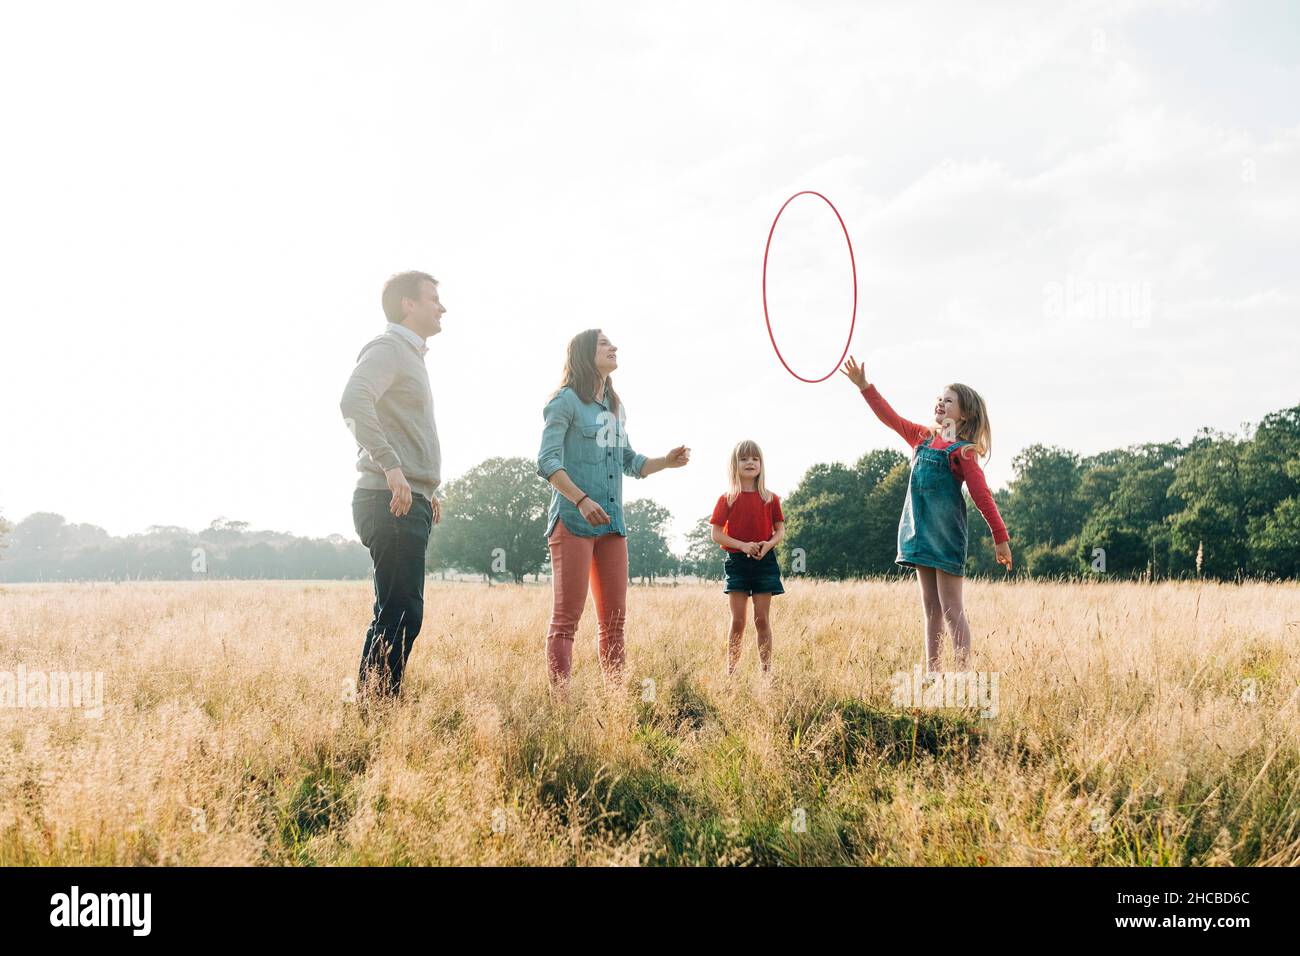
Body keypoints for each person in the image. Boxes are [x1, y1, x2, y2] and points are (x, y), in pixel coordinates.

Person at [536, 329, 690, 688]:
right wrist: (581, 499)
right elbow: (547, 461)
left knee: (615, 622)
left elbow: (630, 462)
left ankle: (616, 700)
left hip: (612, 525)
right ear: (585, 353)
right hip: (573, 520)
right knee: (566, 620)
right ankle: (562, 708)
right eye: (605, 344)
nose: (614, 347)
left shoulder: (615, 408)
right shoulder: (565, 401)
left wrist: (665, 462)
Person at [840, 355, 1012, 673]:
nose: (941, 403)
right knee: (930, 608)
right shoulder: (921, 438)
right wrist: (865, 387)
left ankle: (962, 674)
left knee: (951, 608)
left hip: (946, 537)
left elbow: (981, 495)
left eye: (949, 400)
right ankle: (933, 674)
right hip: (919, 535)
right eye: (939, 399)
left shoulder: (963, 451)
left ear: (965, 413)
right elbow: (890, 418)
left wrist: (1000, 537)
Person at [339, 270, 445, 701]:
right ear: (409, 304)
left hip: (407, 497)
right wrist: (393, 468)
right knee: (401, 613)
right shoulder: (390, 349)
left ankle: (374, 706)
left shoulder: (411, 357)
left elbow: (404, 426)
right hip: (389, 498)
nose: (443, 307)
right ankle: (376, 709)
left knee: (395, 611)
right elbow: (352, 400)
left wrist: (425, 488)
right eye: (434, 298)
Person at [709, 440, 785, 674]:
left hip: (764, 563)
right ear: (735, 465)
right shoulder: (727, 498)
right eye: (744, 459)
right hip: (738, 564)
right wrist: (742, 546)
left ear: (761, 464)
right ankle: (731, 672)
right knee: (738, 622)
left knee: (762, 620)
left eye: (754, 458)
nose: (750, 462)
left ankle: (766, 673)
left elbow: (780, 530)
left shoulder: (770, 498)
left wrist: (768, 544)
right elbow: (716, 534)